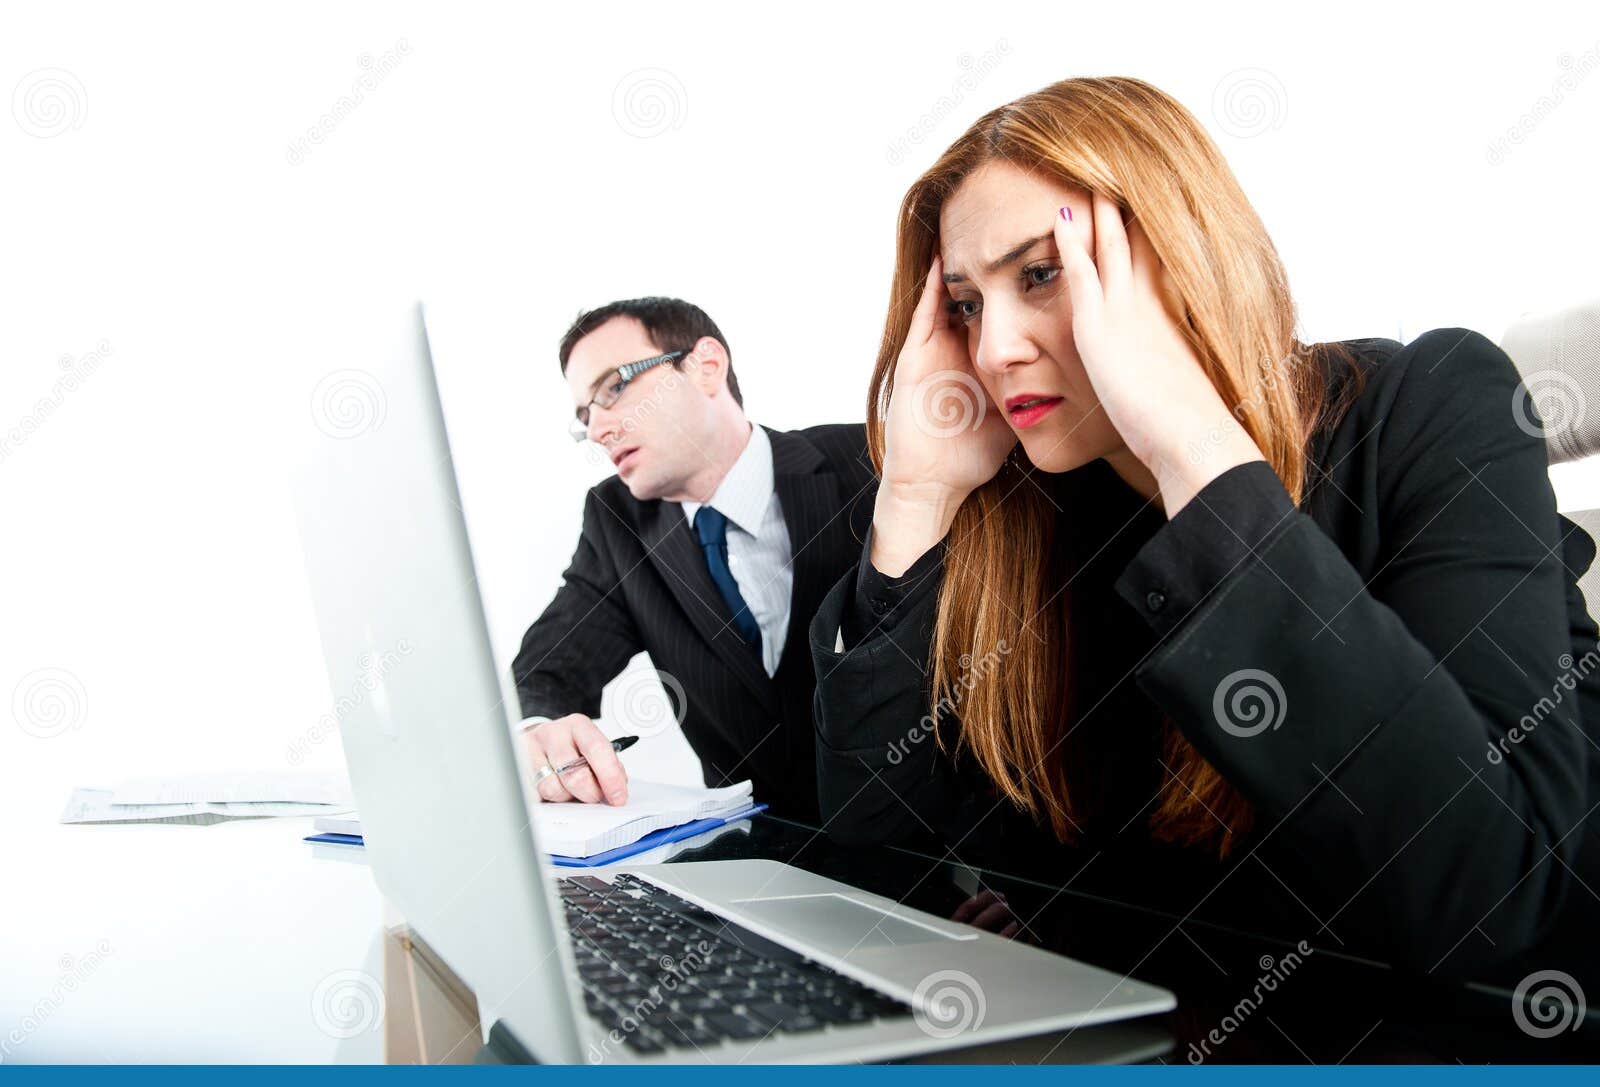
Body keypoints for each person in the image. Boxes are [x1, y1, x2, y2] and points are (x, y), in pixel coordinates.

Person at [809, 76, 1600, 979]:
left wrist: (1193, 445)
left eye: (1041, 274)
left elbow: (1493, 896)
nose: (993, 350)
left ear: (1178, 256)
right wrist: (914, 501)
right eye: (967, 303)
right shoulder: (1035, 507)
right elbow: (873, 860)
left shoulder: (1430, 404)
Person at [511, 297, 875, 821]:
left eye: (614, 388)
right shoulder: (617, 524)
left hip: (934, 852)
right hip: (749, 852)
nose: (597, 430)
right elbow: (545, 672)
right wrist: (538, 734)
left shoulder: (872, 461)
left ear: (706, 366)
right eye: (585, 415)